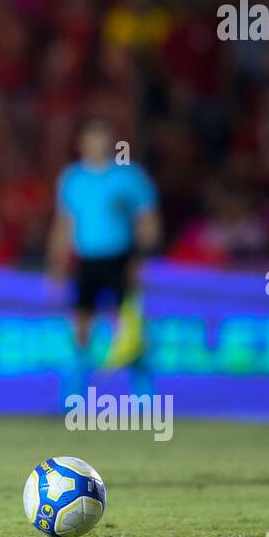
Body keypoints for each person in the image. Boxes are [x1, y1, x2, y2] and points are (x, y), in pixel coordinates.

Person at [48, 117, 161, 372]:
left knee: (129, 330)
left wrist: (142, 257)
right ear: (81, 143)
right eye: (92, 138)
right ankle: (77, 390)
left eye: (103, 138)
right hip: (86, 259)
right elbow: (64, 224)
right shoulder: (72, 179)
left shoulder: (129, 176)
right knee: (81, 324)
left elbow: (148, 220)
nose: (98, 144)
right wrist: (56, 261)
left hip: (120, 257)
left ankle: (142, 397)